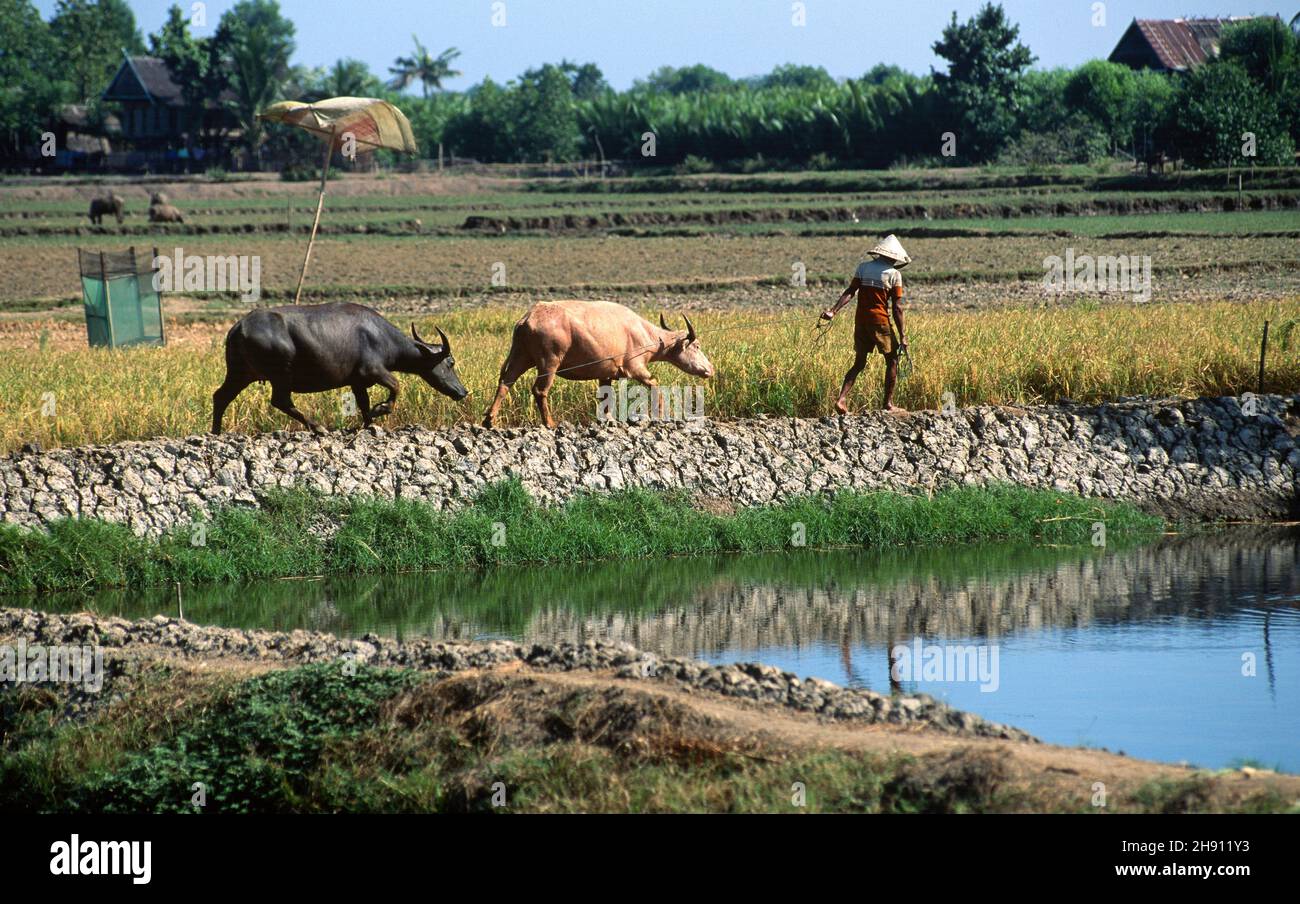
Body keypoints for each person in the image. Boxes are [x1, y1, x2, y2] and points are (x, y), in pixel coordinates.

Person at [820, 234, 910, 414]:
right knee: (892, 361)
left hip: (861, 320)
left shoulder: (863, 268)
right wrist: (902, 335)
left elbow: (850, 291)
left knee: (859, 362)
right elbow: (897, 308)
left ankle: (841, 399)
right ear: (894, 257)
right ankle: (888, 404)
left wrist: (833, 311)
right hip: (879, 321)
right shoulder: (894, 275)